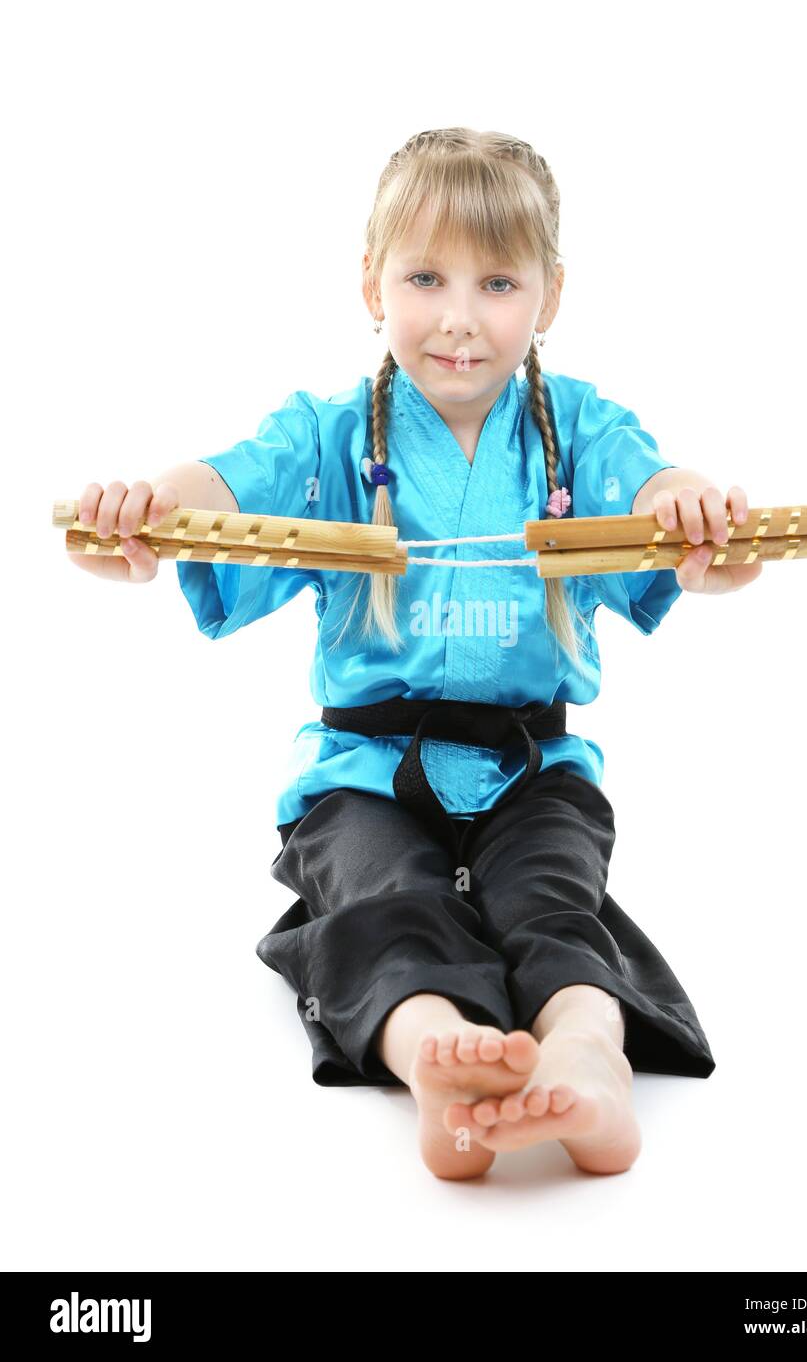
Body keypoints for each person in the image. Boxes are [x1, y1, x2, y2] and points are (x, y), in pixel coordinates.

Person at [70, 127, 762, 1181]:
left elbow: (654, 489)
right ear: (370, 283)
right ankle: (435, 1059)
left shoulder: (576, 429)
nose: (456, 317)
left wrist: (694, 514)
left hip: (533, 773)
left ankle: (586, 1060)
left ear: (549, 296)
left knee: (553, 904)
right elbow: (222, 484)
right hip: (363, 776)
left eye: (495, 282)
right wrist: (150, 509)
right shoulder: (333, 433)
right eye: (425, 276)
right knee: (383, 897)